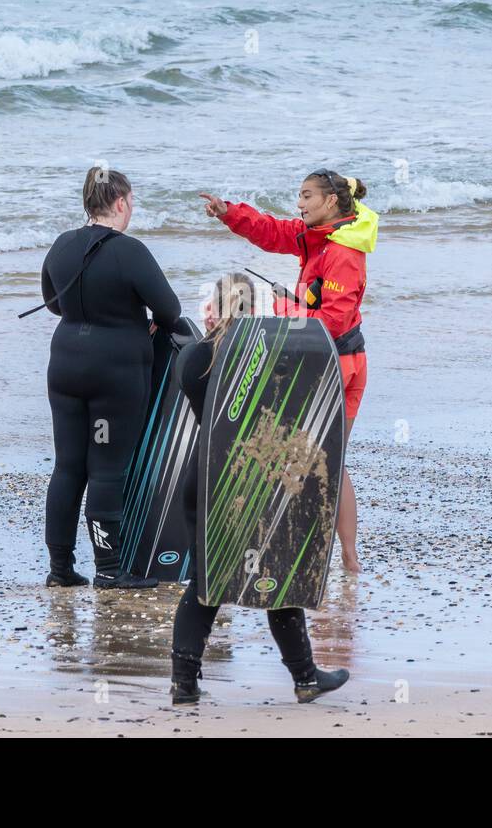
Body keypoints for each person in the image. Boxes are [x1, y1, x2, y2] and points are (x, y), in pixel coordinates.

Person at [169, 273, 350, 704]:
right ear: (260, 311)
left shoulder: (193, 359)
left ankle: (183, 683)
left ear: (212, 307)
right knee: (278, 573)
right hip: (257, 479)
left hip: (208, 477)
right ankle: (305, 678)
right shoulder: (277, 358)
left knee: (204, 581)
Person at [198, 169, 376, 573]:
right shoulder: (322, 236)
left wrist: (282, 307)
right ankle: (346, 560)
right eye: (299, 195)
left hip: (338, 365)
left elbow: (330, 323)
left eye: (307, 196)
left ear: (331, 201)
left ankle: (333, 555)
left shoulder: (344, 252)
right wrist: (229, 213)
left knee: (322, 460)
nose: (300, 204)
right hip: (340, 359)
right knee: (333, 460)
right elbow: (273, 231)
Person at [39, 166, 185, 590]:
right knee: (106, 470)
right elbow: (170, 310)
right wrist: (144, 320)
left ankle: (61, 569)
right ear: (121, 203)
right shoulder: (131, 251)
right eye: (132, 202)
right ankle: (109, 568)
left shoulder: (61, 245)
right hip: (114, 371)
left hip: (65, 362)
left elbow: (52, 302)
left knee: (67, 467)